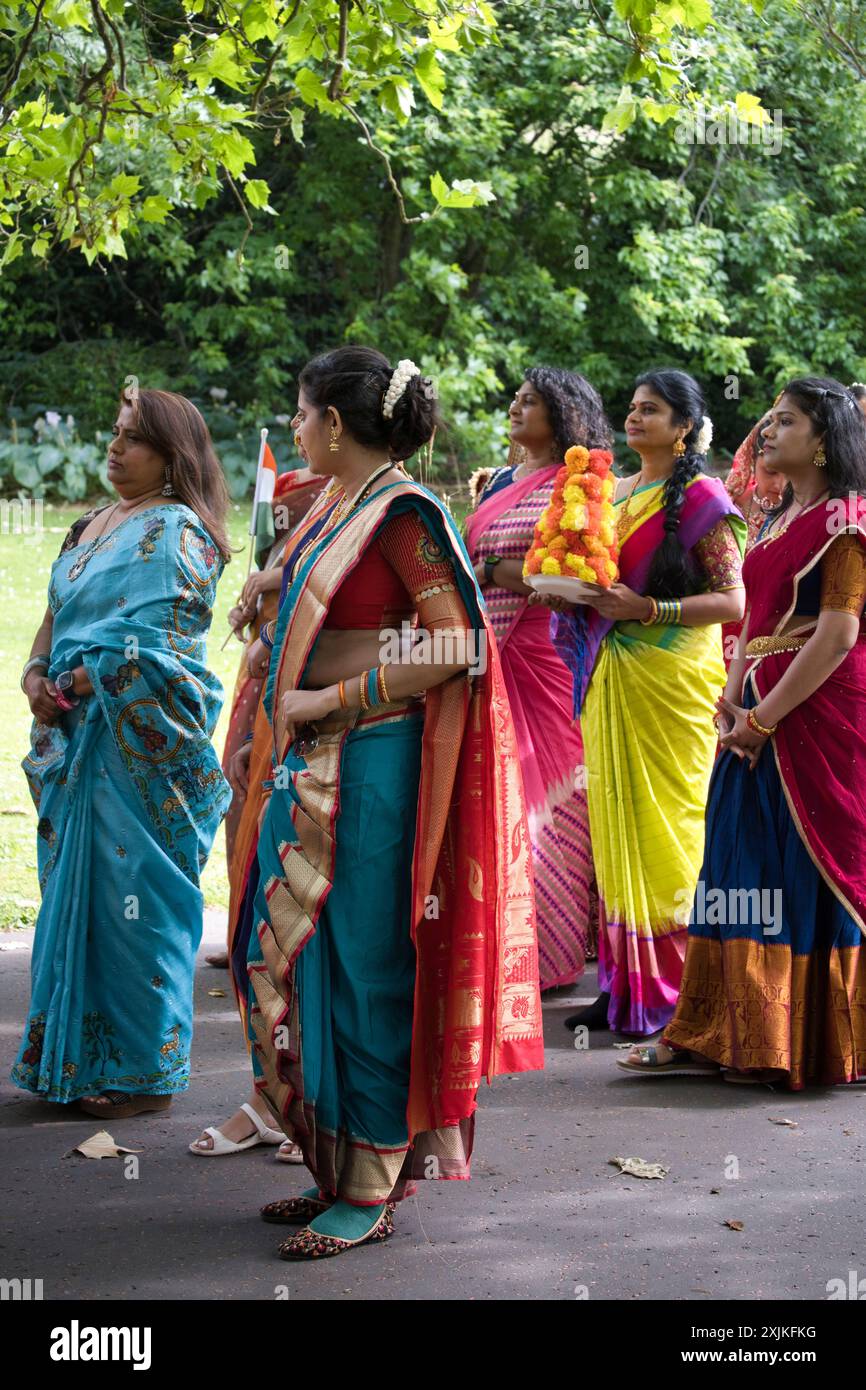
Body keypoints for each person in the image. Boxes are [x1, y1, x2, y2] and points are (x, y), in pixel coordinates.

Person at [240, 346, 544, 1259]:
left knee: (366, 968)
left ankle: (369, 1183)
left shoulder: (405, 515)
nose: (295, 429)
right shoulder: (334, 506)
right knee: (305, 966)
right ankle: (335, 1162)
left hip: (373, 761)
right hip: (313, 759)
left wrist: (330, 701)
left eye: (301, 414)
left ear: (334, 424)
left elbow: (456, 645)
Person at [618, 378, 866, 1086]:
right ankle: (721, 1028)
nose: (767, 433)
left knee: (803, 864)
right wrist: (733, 707)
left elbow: (840, 633)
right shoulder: (780, 518)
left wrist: (765, 716)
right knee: (733, 861)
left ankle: (795, 1038)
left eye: (785, 422)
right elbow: (753, 622)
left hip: (815, 713)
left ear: (822, 440)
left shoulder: (847, 519)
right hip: (754, 706)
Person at [13, 388, 232, 1118]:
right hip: (74, 740)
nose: (114, 449)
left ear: (173, 457)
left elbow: (164, 648)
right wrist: (36, 675)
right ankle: (67, 1060)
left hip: (138, 748)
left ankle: (142, 1076)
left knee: (133, 903)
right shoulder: (88, 525)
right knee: (72, 901)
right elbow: (55, 616)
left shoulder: (179, 533)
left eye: (133, 439)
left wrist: (80, 679)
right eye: (114, 433)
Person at [555, 369, 747, 1036]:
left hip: (672, 681)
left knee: (671, 826)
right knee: (616, 824)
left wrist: (649, 606)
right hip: (612, 673)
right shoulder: (616, 492)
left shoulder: (702, 497)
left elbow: (733, 602)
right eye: (632, 408)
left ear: (684, 426)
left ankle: (677, 987)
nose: (633, 418)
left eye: (652, 410)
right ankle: (623, 985)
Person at [464, 368, 607, 989]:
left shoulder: (578, 482)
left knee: (551, 797)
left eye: (532, 401)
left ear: (563, 414)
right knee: (496, 799)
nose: (517, 407)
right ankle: (502, 944)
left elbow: (578, 575)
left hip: (543, 653)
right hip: (485, 650)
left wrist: (493, 567)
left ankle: (552, 956)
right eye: (516, 397)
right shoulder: (497, 481)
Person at [204, 462, 324, 970]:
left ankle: (269, 931)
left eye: (308, 413)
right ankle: (240, 925)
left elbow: (319, 573)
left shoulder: (343, 508)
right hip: (260, 669)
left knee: (273, 792)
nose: (299, 428)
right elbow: (266, 579)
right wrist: (248, 608)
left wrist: (274, 578)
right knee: (240, 784)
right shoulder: (285, 518)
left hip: (300, 673)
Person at [721, 413, 785, 665]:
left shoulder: (799, 511)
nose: (779, 485)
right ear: (751, 462)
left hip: (771, 624)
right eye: (770, 472)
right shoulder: (730, 505)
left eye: (786, 472)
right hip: (724, 618)